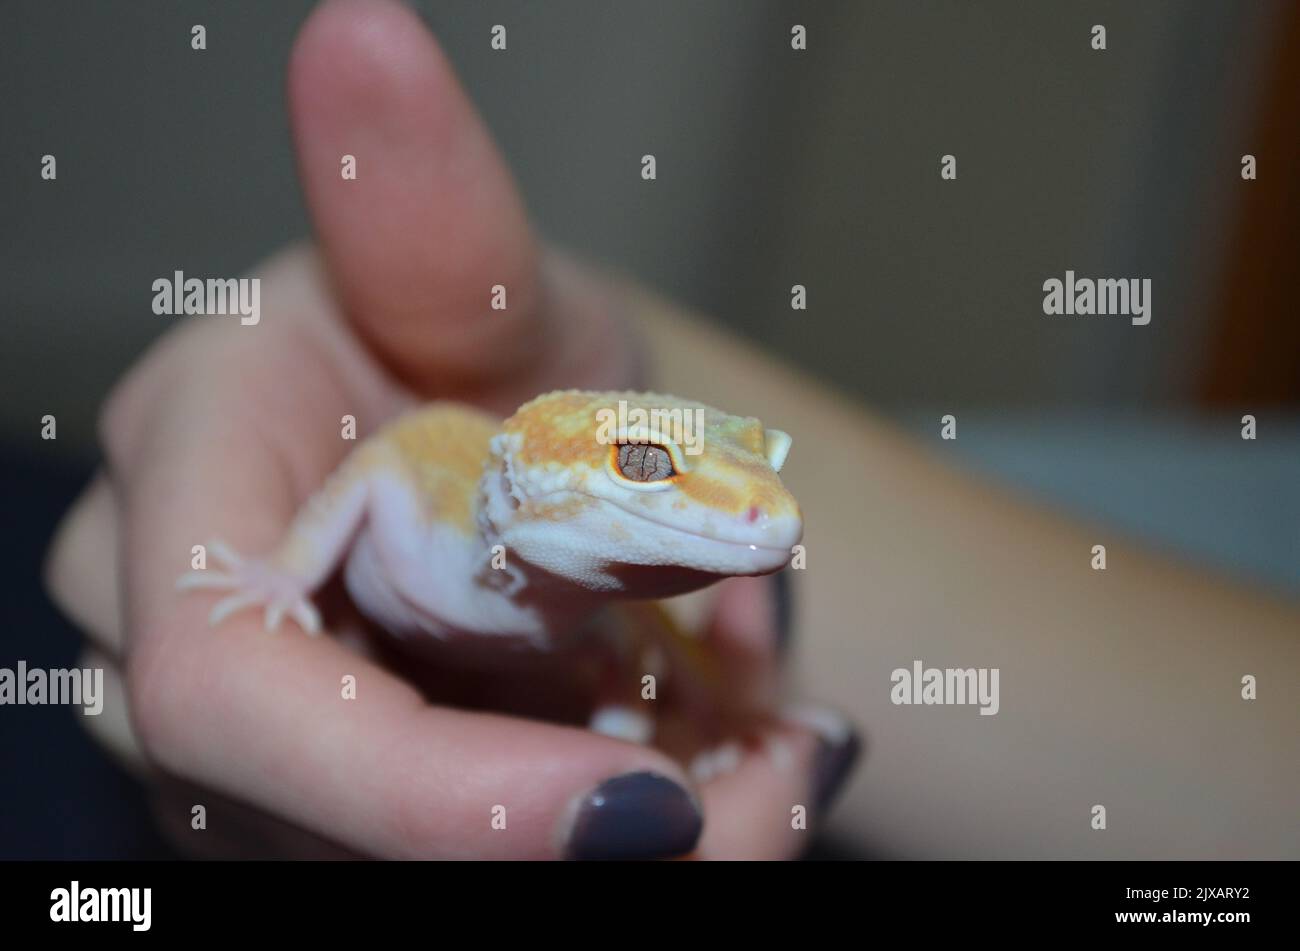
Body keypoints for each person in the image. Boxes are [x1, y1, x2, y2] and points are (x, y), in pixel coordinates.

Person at [44, 0, 1300, 860]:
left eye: (755, 472)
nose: (754, 510)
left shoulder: (617, 606)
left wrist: (655, 723)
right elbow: (373, 472)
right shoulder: (449, 493)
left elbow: (630, 643)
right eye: (657, 464)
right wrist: (277, 575)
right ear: (534, 468)